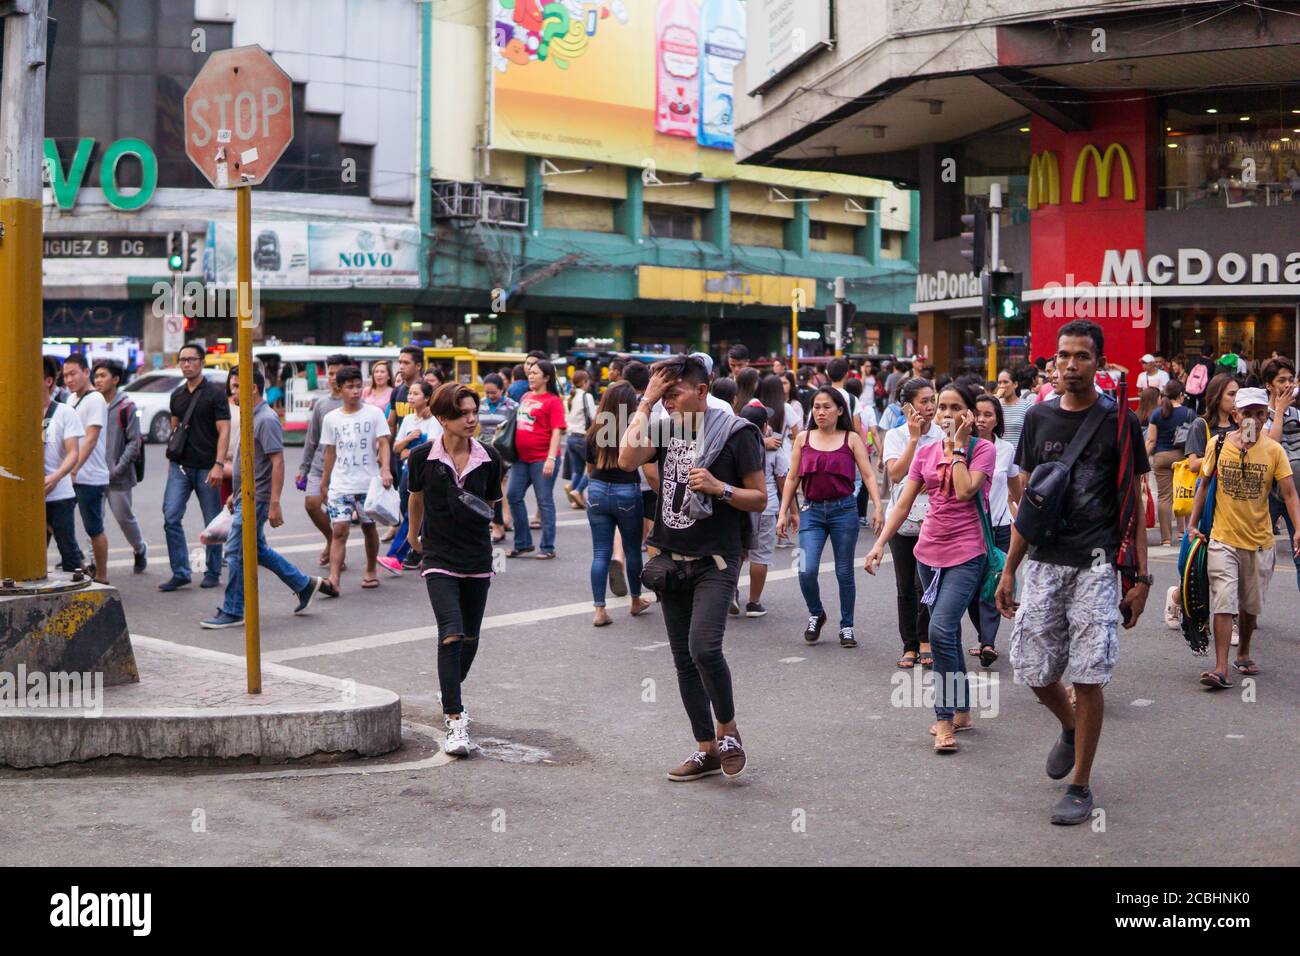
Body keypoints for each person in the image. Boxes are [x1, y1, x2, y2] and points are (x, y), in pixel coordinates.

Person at [995, 319, 1152, 826]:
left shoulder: (1120, 423)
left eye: (1082, 356)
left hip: (1097, 568)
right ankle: (1068, 725)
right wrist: (1008, 569)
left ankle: (1081, 785)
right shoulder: (1038, 419)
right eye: (1063, 356)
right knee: (1034, 670)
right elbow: (1032, 505)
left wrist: (1141, 580)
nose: (1070, 365)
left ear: (1099, 364)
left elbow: (1134, 505)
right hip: (1043, 562)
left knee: (1088, 675)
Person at [618, 354, 766, 781]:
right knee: (684, 660)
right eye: (661, 394)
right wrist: (644, 403)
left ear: (701, 391)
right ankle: (705, 750)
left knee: (704, 649)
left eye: (673, 393)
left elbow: (758, 498)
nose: (667, 401)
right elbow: (627, 460)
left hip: (715, 561)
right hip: (670, 558)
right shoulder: (664, 428)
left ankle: (728, 731)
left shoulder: (738, 434)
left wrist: (720, 489)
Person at [866, 382, 993, 754]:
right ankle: (963, 710)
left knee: (938, 629)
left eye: (956, 408)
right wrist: (877, 544)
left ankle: (943, 718)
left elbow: (967, 489)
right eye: (942, 408)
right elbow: (903, 503)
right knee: (948, 635)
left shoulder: (982, 450)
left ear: (969, 414)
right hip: (927, 553)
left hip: (968, 553)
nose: (947, 415)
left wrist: (954, 449)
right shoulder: (925, 453)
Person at [406, 383, 505, 756]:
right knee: (451, 633)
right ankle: (456, 720)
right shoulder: (421, 458)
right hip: (438, 555)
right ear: (442, 418)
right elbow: (415, 498)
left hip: (477, 556)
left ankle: (450, 687)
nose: (472, 419)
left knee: (471, 638)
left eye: (474, 412)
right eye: (463, 413)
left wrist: (499, 527)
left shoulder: (490, 457)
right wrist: (414, 537)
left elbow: (493, 502)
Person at [1189, 387, 1300, 688]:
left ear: (1266, 416)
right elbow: (1203, 485)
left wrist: (1299, 528)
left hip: (1260, 541)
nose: (1253, 418)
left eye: (1259, 413)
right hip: (1223, 538)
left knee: (1250, 606)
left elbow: (1289, 493)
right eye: (1247, 413)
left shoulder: (1274, 451)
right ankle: (1221, 667)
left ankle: (1244, 651)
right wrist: (1192, 523)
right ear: (1236, 415)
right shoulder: (1218, 443)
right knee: (1224, 600)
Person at [202, 367, 329, 628]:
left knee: (236, 552)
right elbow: (249, 461)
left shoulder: (266, 419)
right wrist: (235, 496)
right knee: (256, 550)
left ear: (253, 388)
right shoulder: (249, 415)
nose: (232, 392)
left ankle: (234, 609)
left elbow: (277, 462)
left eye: (236, 386)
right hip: (245, 496)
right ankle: (303, 585)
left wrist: (274, 503)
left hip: (257, 498)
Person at [776, 386, 881, 647]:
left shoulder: (852, 439)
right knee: (805, 569)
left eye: (827, 407)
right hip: (812, 511)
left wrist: (878, 507)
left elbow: (868, 475)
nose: (820, 412)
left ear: (840, 410)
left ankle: (847, 626)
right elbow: (792, 477)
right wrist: (784, 512)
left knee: (844, 572)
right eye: (816, 407)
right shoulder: (803, 438)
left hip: (844, 511)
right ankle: (816, 612)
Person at [881, 378, 943, 667]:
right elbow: (895, 475)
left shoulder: (944, 435)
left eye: (933, 400)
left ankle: (925, 639)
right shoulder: (896, 436)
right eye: (924, 401)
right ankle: (909, 645)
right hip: (902, 522)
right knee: (905, 586)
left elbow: (944, 478)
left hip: (933, 522)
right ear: (907, 407)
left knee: (925, 585)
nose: (930, 407)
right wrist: (915, 438)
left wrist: (925, 481)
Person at [160, 343, 230, 592]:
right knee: (170, 516)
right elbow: (175, 427)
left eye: (191, 359)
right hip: (180, 467)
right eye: (183, 360)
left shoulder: (215, 393)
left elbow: (224, 430)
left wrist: (219, 464)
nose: (187, 364)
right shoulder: (177, 395)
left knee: (212, 522)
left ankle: (212, 571)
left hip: (207, 467)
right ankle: (180, 572)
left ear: (202, 362)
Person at [319, 366, 394, 592]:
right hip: (341, 484)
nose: (355, 390)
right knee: (339, 529)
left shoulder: (374, 413)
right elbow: (330, 452)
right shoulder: (331, 418)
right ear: (339, 389)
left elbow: (383, 443)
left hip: (368, 484)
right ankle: (334, 580)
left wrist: (386, 470)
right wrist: (325, 481)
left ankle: (371, 569)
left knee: (368, 528)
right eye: (350, 387)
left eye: (358, 385)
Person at [584, 382, 653, 626]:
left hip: (598, 490)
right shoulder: (633, 430)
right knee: (633, 550)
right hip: (627, 492)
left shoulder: (594, 431)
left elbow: (590, 469)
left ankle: (599, 611)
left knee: (600, 552)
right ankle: (635, 601)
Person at [965, 393, 1020, 665]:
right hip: (970, 528)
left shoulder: (1007, 449)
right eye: (977, 413)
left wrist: (1025, 512)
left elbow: (1014, 484)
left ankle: (987, 642)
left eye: (988, 414)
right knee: (972, 588)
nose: (982, 419)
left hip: (999, 527)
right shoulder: (963, 447)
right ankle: (983, 635)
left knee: (994, 584)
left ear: (997, 419)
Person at [377, 380, 442, 575]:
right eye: (410, 394)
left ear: (427, 398)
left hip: (424, 475)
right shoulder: (407, 420)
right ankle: (428, 556)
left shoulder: (434, 420)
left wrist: (409, 450)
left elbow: (430, 446)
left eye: (415, 394)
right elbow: (397, 448)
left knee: (414, 516)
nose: (410, 397)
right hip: (407, 471)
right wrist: (410, 439)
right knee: (416, 516)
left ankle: (396, 556)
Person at [506, 359, 565, 559]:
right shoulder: (525, 396)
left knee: (544, 501)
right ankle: (523, 543)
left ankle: (548, 547)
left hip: (542, 458)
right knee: (513, 495)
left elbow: (557, 432)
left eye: (536, 373)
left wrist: (551, 459)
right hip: (520, 459)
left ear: (547, 377)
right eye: (530, 372)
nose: (530, 376)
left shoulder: (553, 401)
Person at [92, 360, 147, 574]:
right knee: (94, 519)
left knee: (124, 517)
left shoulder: (126, 406)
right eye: (96, 376)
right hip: (94, 474)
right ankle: (93, 562)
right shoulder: (92, 402)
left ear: (115, 380)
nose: (98, 380)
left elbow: (135, 441)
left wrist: (117, 468)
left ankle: (139, 548)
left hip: (118, 476)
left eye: (103, 376)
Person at [61, 354, 111, 584]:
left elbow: (91, 438)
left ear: (86, 372)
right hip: (69, 474)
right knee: (58, 522)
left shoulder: (96, 399)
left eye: (73, 374)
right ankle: (80, 565)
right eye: (65, 375)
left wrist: (73, 469)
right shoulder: (70, 400)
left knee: (93, 528)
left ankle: (101, 575)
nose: (69, 379)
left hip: (90, 476)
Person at [298, 355, 347, 569]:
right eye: (331, 373)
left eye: (338, 373)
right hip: (319, 464)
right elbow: (312, 438)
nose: (334, 377)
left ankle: (336, 550)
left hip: (344, 468)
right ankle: (330, 538)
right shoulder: (321, 404)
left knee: (340, 516)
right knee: (311, 503)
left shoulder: (355, 403)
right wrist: (303, 468)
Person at [741, 403, 788, 617]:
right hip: (766, 505)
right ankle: (753, 602)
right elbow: (782, 479)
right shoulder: (774, 446)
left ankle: (730, 594)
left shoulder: (734, 441)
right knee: (760, 556)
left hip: (739, 503)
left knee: (736, 553)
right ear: (765, 425)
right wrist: (789, 510)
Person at [43, 355, 86, 573]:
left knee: (68, 553)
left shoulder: (65, 412)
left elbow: (73, 453)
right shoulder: (16, 412)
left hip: (59, 495)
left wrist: (56, 477)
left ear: (48, 381)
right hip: (27, 496)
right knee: (27, 556)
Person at [1263, 358, 1300, 591]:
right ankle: (1244, 612)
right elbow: (1271, 447)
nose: (1287, 385)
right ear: (1269, 385)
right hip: (1267, 494)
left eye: (1290, 379)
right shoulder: (1258, 413)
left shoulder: (1297, 413)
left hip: (1293, 492)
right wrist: (1279, 412)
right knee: (1255, 556)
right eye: (1281, 380)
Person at [1146, 380, 1196, 547]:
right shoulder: (1189, 413)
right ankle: (1186, 533)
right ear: (1181, 395)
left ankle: (1166, 539)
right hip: (1183, 458)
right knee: (1186, 493)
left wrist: (1141, 460)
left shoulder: (1157, 414)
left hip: (1161, 457)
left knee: (1164, 497)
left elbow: (1151, 440)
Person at [478, 373, 517, 542]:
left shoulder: (512, 406)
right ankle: (498, 523)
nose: (490, 396)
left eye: (493, 392)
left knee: (495, 488)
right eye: (487, 393)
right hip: (483, 450)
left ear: (503, 389)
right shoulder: (480, 404)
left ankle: (498, 525)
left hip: (502, 452)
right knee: (488, 489)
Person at [564, 369, 597, 509]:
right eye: (588, 380)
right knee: (594, 466)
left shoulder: (568, 397)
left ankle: (573, 490)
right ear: (584, 382)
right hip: (582, 437)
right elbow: (593, 416)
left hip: (570, 437)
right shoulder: (586, 396)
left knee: (577, 470)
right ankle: (577, 490)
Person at [387, 346, 423, 435]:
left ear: (418, 366)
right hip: (400, 445)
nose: (401, 367)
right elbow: (391, 425)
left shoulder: (429, 391)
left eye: (406, 363)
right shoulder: (396, 391)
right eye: (400, 362)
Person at [996, 368, 1029, 449]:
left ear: (1015, 384)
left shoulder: (1027, 406)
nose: (1002, 386)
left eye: (1005, 382)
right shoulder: (996, 405)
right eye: (999, 383)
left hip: (1018, 456)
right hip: (1000, 455)